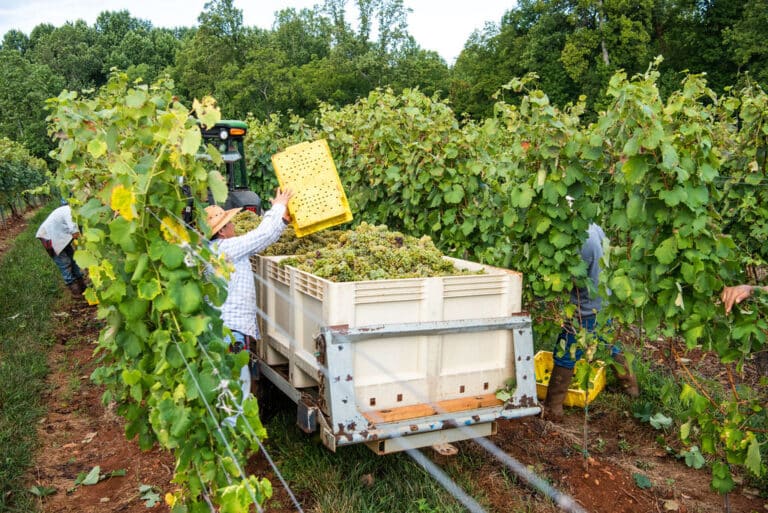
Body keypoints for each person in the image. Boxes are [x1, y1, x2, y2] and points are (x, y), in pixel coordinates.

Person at [205, 188, 293, 421]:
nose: (234, 226)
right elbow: (259, 236)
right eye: (230, 223)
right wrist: (279, 206)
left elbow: (261, 240)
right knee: (236, 387)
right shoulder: (225, 250)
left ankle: (228, 433)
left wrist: (281, 221)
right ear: (222, 231)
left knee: (229, 384)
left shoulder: (215, 250)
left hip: (222, 331)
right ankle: (232, 442)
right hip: (229, 333)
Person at [543, 223, 639, 422]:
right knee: (611, 344)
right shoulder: (592, 226)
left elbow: (570, 280)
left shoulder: (581, 244)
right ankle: (631, 389)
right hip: (604, 300)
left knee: (565, 353)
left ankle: (553, 408)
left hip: (584, 309)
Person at [36, 203, 86, 297]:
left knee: (73, 259)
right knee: (65, 263)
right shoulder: (69, 211)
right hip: (49, 237)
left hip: (60, 237)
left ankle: (82, 286)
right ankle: (74, 290)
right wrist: (83, 247)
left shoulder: (72, 212)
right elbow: (74, 231)